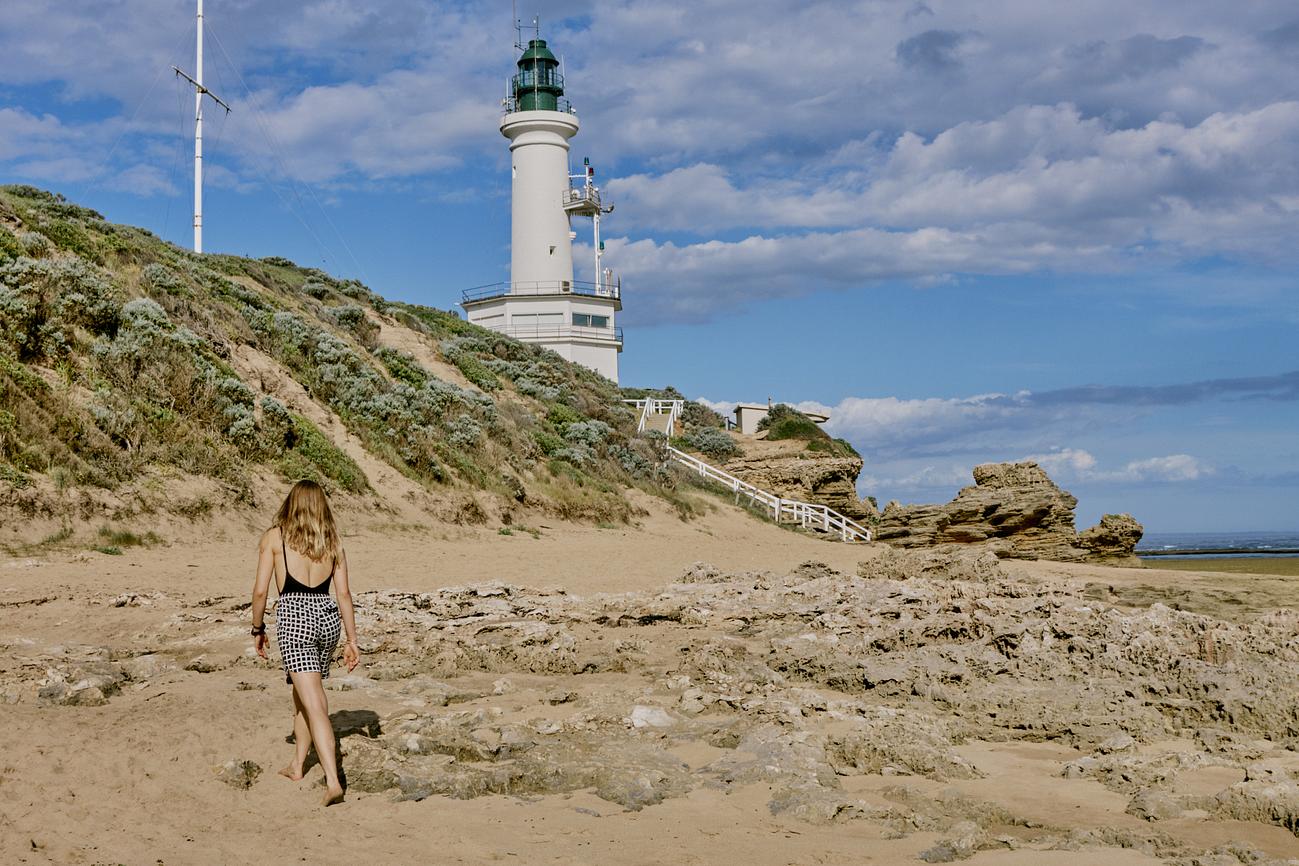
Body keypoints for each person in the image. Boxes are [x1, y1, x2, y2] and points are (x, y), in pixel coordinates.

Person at [249, 480, 360, 806]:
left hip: (295, 619)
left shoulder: (275, 537)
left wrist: (257, 628)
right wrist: (352, 640)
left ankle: (332, 781)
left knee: (314, 702)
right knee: (301, 691)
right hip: (326, 620)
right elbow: (343, 595)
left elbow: (259, 591)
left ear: (291, 503)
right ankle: (298, 765)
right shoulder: (334, 542)